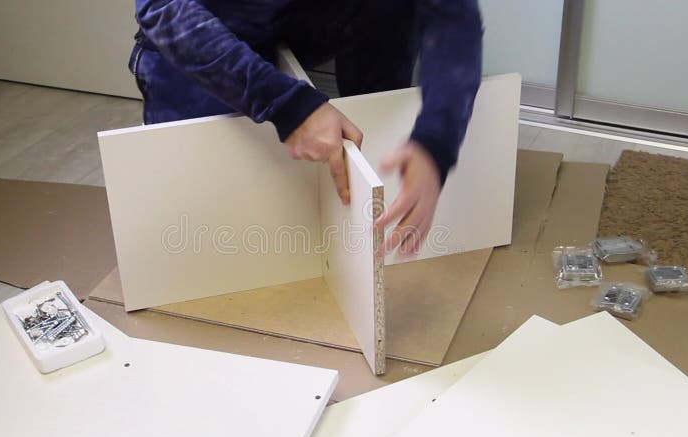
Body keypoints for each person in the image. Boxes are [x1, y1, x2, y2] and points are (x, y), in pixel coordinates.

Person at [130, 0, 482, 256]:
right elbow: (163, 9)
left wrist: (436, 141)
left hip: (301, 17)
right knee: (203, 228)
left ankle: (373, 152)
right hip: (206, 21)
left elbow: (453, 17)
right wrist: (288, 106)